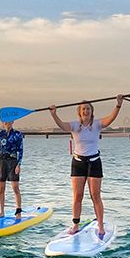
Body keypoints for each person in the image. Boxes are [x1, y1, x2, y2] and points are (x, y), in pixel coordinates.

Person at [49, 95, 123, 238]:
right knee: (78, 195)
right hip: (78, 163)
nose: (86, 111)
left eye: (88, 108)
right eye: (83, 109)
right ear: (79, 111)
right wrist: (54, 114)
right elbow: (62, 126)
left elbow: (110, 119)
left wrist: (118, 105)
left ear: (91, 111)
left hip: (94, 162)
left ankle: (101, 226)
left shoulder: (97, 124)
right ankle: (76, 224)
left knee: (95, 195)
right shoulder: (75, 125)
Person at [0, 120, 24, 218]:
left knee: (15, 187)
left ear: (12, 122)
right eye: (5, 122)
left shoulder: (18, 134)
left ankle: (18, 212)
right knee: (1, 188)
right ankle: (1, 212)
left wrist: (19, 164)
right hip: (1, 162)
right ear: (3, 123)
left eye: (9, 122)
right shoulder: (0, 134)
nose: (7, 124)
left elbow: (20, 150)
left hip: (13, 162)